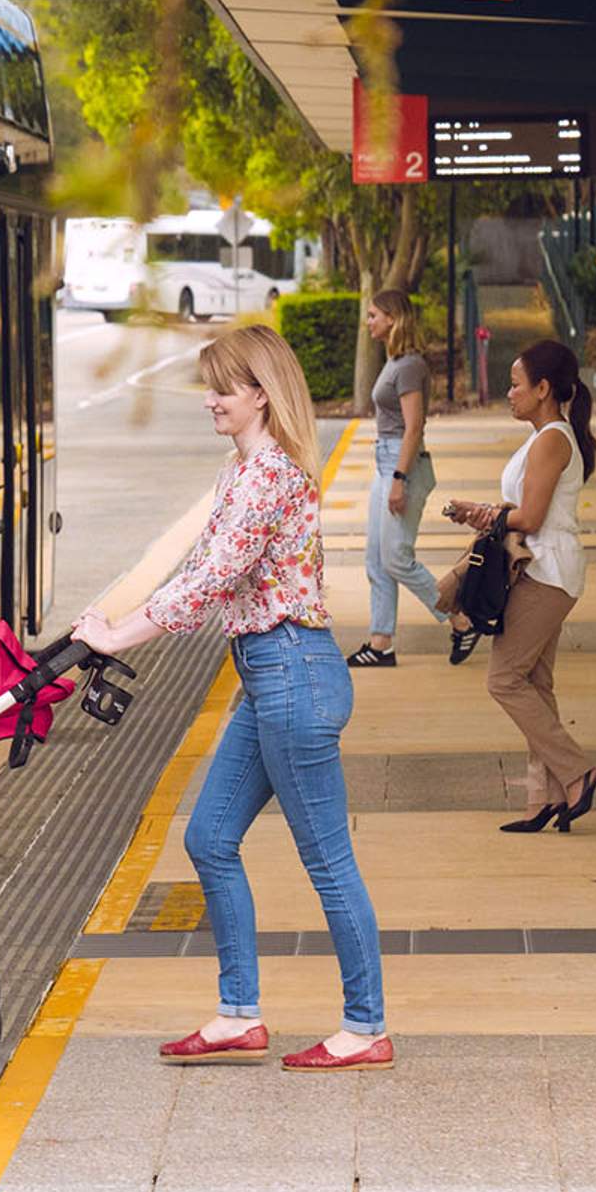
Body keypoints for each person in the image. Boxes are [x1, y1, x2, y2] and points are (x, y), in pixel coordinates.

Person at [72, 324, 390, 1073]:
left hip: (292, 674)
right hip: (265, 673)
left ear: (260, 394)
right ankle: (238, 1013)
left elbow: (211, 579)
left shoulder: (270, 475)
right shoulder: (241, 469)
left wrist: (119, 635)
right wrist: (117, 620)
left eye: (223, 387)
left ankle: (365, 1024)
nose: (210, 399)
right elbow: (196, 568)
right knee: (209, 838)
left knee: (328, 860)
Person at [442, 339, 596, 832]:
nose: (508, 393)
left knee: (504, 679)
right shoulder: (544, 436)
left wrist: (490, 514)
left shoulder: (553, 439)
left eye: (516, 384)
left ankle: (579, 773)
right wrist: (487, 512)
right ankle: (546, 797)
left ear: (543, 389)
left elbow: (532, 517)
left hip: (547, 571)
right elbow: (525, 509)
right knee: (536, 684)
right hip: (545, 568)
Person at [353, 288, 469, 667]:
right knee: (376, 559)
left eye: (374, 315)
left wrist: (400, 478)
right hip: (385, 462)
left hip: (402, 465)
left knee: (397, 558)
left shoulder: (409, 366)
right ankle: (380, 643)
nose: (368, 322)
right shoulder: (395, 360)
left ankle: (461, 621)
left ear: (392, 317)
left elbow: (414, 425)